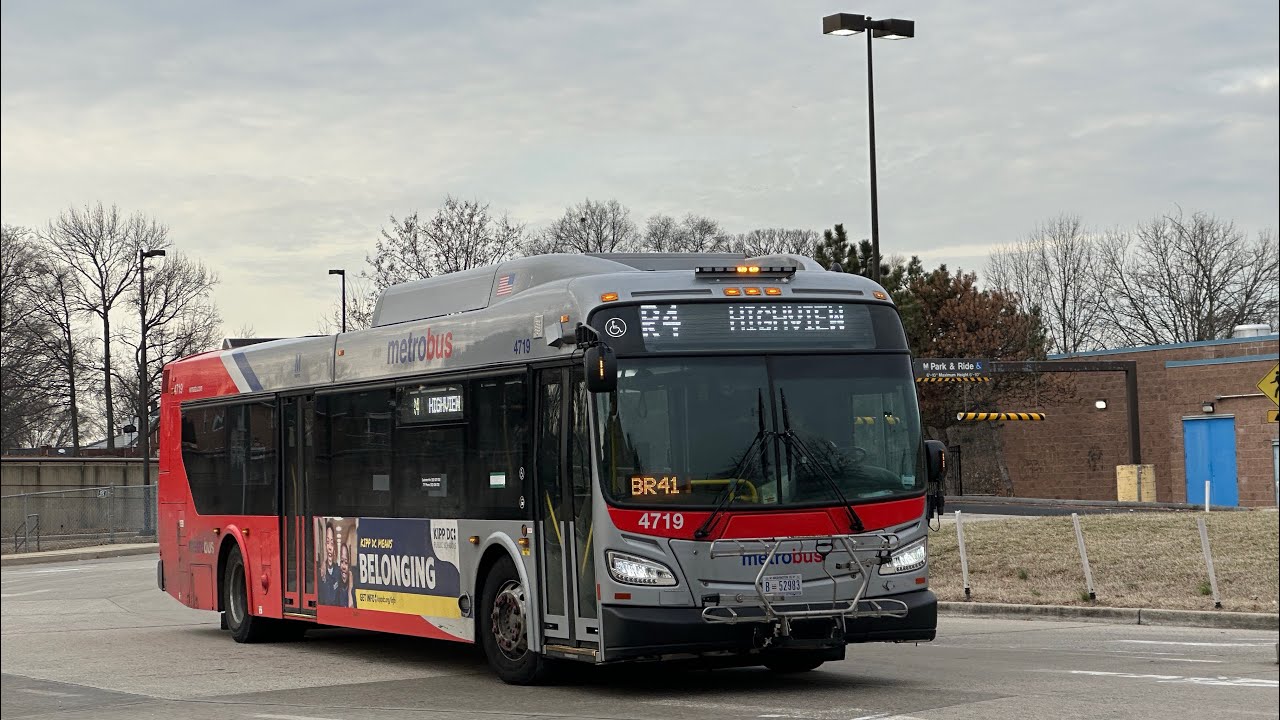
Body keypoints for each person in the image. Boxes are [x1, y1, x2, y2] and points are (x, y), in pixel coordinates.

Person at [318, 521, 342, 605]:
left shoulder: (339, 571)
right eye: (327, 542)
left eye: (332, 543)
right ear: (324, 545)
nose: (329, 547)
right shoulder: (320, 572)